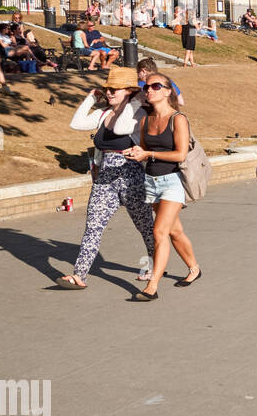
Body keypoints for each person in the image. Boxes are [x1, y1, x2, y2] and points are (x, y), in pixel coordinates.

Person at [56, 68, 156, 289]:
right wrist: (91, 97)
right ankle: (79, 275)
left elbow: (121, 129)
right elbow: (76, 123)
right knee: (93, 225)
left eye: (114, 89)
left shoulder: (138, 113)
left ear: (129, 91)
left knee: (146, 226)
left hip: (132, 176)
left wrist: (133, 102)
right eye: (107, 89)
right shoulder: (103, 113)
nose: (109, 92)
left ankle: (154, 267)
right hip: (105, 178)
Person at [122, 73, 200, 299]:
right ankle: (194, 268)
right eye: (147, 87)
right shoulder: (145, 120)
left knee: (159, 231)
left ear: (168, 91)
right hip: (151, 181)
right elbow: (146, 153)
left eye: (156, 86)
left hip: (172, 181)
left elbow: (181, 154)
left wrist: (148, 153)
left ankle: (152, 286)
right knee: (174, 231)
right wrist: (138, 153)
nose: (150, 90)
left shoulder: (179, 119)